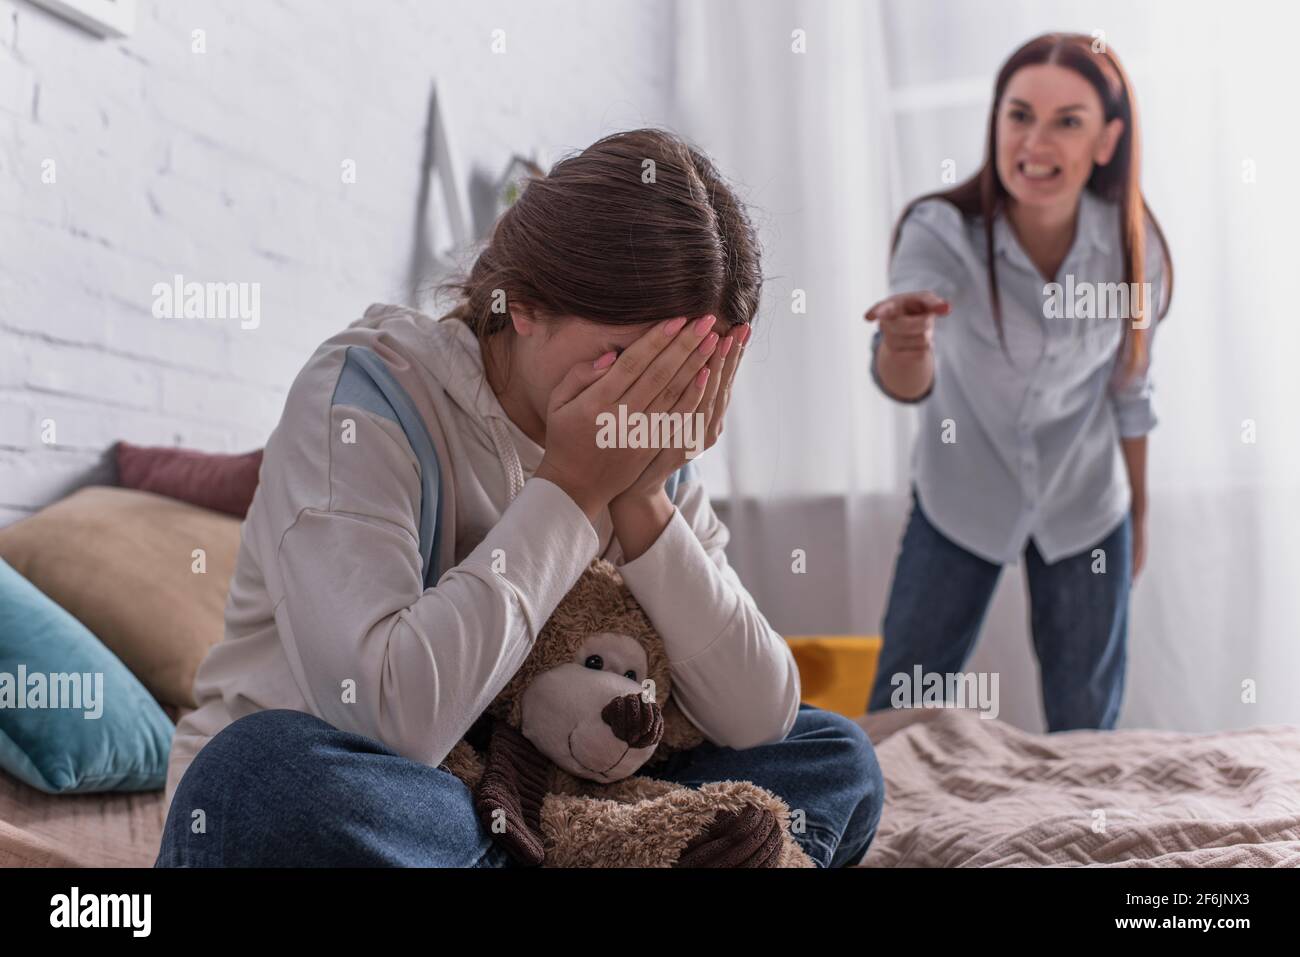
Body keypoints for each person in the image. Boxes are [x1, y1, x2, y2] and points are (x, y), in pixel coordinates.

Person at [156, 129, 883, 868]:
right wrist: (571, 487)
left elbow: (759, 714)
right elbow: (390, 720)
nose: (647, 398)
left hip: (566, 802)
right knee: (252, 778)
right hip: (404, 796)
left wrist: (642, 500)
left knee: (833, 757)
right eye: (628, 361)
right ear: (526, 304)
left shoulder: (654, 441)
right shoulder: (365, 396)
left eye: (686, 373)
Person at [865, 35, 1173, 731]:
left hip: (1088, 506)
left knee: (1087, 726)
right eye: (1019, 114)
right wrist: (904, 341)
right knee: (900, 716)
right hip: (960, 497)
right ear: (995, 121)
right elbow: (906, 379)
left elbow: (1130, 391)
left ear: (1106, 140)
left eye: (1068, 120)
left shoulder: (1134, 248)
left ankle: (1081, 838)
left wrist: (1141, 514)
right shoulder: (938, 231)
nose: (1035, 140)